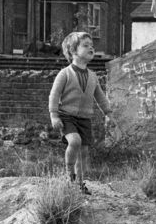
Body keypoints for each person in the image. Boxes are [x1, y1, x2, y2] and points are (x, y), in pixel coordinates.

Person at [48, 32, 112, 195]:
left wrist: (108, 113)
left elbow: (100, 96)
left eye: (92, 45)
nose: (91, 47)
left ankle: (79, 184)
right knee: (74, 141)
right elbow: (54, 95)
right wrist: (54, 115)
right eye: (85, 45)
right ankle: (69, 174)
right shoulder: (65, 73)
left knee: (83, 153)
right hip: (67, 116)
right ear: (73, 51)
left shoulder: (92, 76)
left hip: (84, 118)